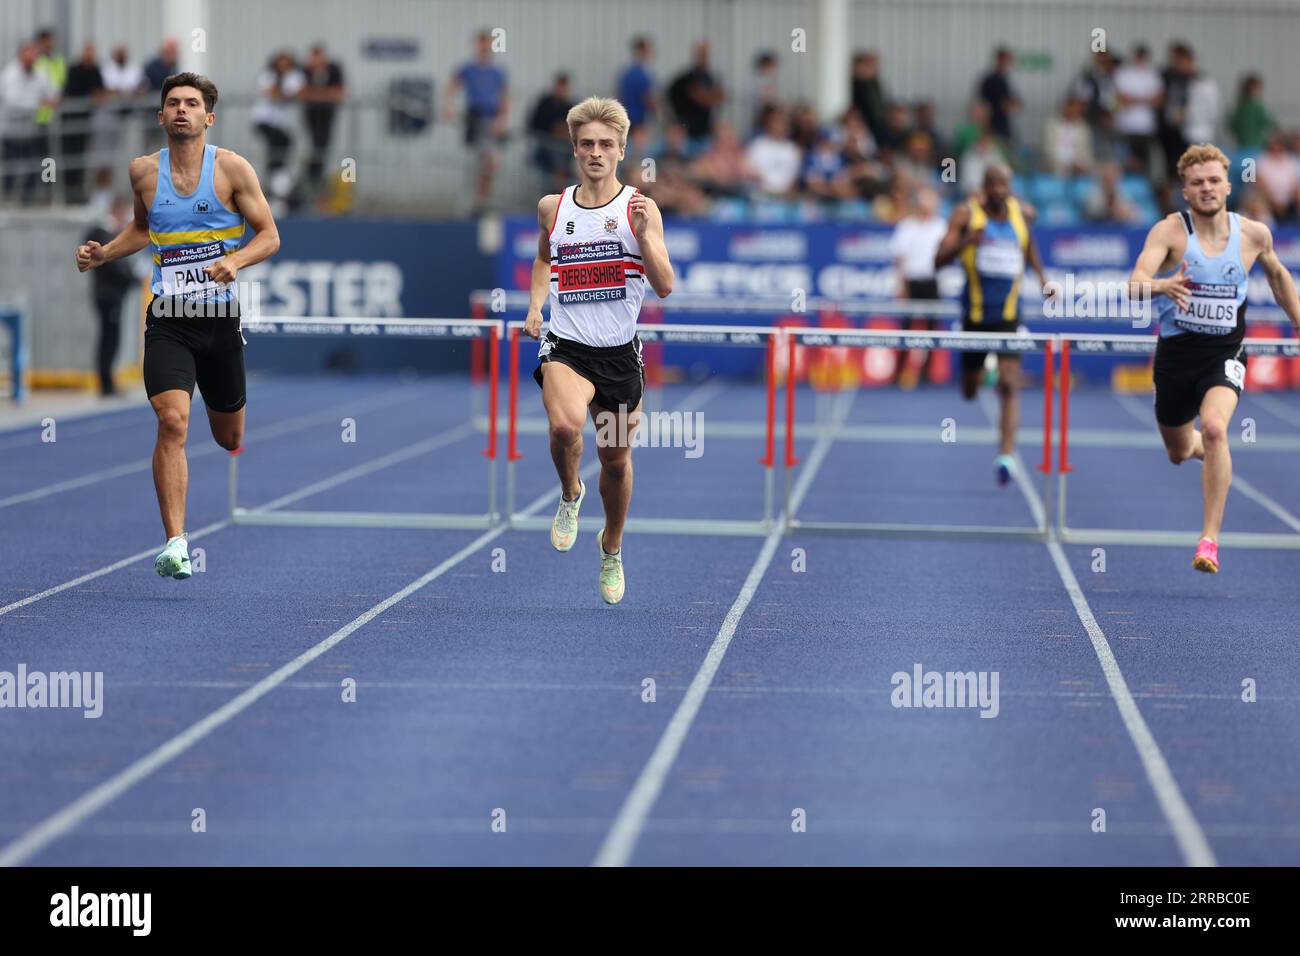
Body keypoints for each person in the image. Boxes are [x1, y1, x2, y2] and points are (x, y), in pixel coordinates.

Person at [75, 72, 280, 580]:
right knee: (171, 421)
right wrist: (104, 252)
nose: (182, 110)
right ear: (161, 116)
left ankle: (224, 423)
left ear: (209, 117)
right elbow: (143, 230)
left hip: (218, 319)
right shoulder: (144, 172)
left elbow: (270, 236)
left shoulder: (232, 169)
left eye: (192, 104)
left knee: (229, 437)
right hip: (169, 317)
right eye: (173, 103)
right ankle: (176, 542)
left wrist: (237, 261)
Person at [523, 97, 673, 604]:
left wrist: (644, 239)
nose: (595, 152)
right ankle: (569, 494)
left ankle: (611, 547)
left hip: (618, 358)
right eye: (586, 143)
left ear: (621, 150)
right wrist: (535, 306)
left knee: (615, 460)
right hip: (567, 345)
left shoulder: (641, 208)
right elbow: (544, 260)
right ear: (574, 149)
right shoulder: (553, 207)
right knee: (565, 426)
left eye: (605, 144)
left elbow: (666, 285)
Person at [1129, 143, 1300, 572]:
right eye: (1196, 183)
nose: (1206, 188)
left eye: (1213, 181)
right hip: (1176, 357)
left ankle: (1209, 540)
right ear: (1184, 191)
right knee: (1178, 450)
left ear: (1228, 185)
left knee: (1217, 429)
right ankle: (1205, 451)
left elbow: (1278, 277)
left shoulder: (1253, 235)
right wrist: (1163, 285)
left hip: (1224, 353)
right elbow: (1135, 282)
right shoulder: (1169, 231)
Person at [934, 164, 1049, 486]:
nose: (1000, 190)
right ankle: (985, 370)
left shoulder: (1019, 213)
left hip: (1009, 316)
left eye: (1005, 184)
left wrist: (1041, 277)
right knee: (970, 390)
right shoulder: (965, 214)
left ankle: (1006, 455)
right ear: (983, 188)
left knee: (1011, 385)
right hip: (974, 316)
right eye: (993, 185)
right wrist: (967, 241)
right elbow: (938, 259)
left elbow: (1028, 243)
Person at [443, 30, 509, 213]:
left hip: (491, 118)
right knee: (474, 159)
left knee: (491, 159)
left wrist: (502, 119)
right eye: (481, 44)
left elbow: (504, 97)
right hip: (474, 117)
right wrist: (448, 106)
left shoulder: (497, 72)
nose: (484, 48)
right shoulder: (467, 69)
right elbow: (450, 87)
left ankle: (484, 198)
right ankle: (472, 198)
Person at [889, 186, 947, 388]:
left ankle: (926, 373)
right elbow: (900, 259)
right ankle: (899, 372)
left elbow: (947, 256)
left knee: (931, 328)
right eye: (924, 201)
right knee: (906, 327)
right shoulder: (907, 226)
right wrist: (901, 287)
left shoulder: (941, 226)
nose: (928, 206)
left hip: (931, 282)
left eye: (932, 201)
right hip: (911, 282)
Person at [82, 195, 136, 395]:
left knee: (110, 337)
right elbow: (114, 263)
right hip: (108, 295)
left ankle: (107, 380)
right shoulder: (103, 235)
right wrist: (132, 278)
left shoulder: (106, 234)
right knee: (109, 338)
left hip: (110, 294)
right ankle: (106, 383)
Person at [1, 41, 58, 203]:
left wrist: (53, 99)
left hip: (30, 131)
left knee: (34, 167)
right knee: (10, 169)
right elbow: (12, 101)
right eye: (28, 55)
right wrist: (38, 104)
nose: (31, 59)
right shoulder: (9, 74)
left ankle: (27, 200)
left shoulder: (40, 74)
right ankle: (7, 198)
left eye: (34, 55)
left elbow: (52, 93)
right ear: (21, 56)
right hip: (11, 132)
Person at [299, 44, 345, 196]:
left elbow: (339, 93)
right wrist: (325, 95)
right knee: (313, 145)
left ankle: (316, 177)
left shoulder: (334, 69)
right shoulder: (305, 71)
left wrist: (316, 94)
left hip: (327, 115)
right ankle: (311, 177)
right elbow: (302, 93)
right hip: (311, 115)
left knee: (322, 145)